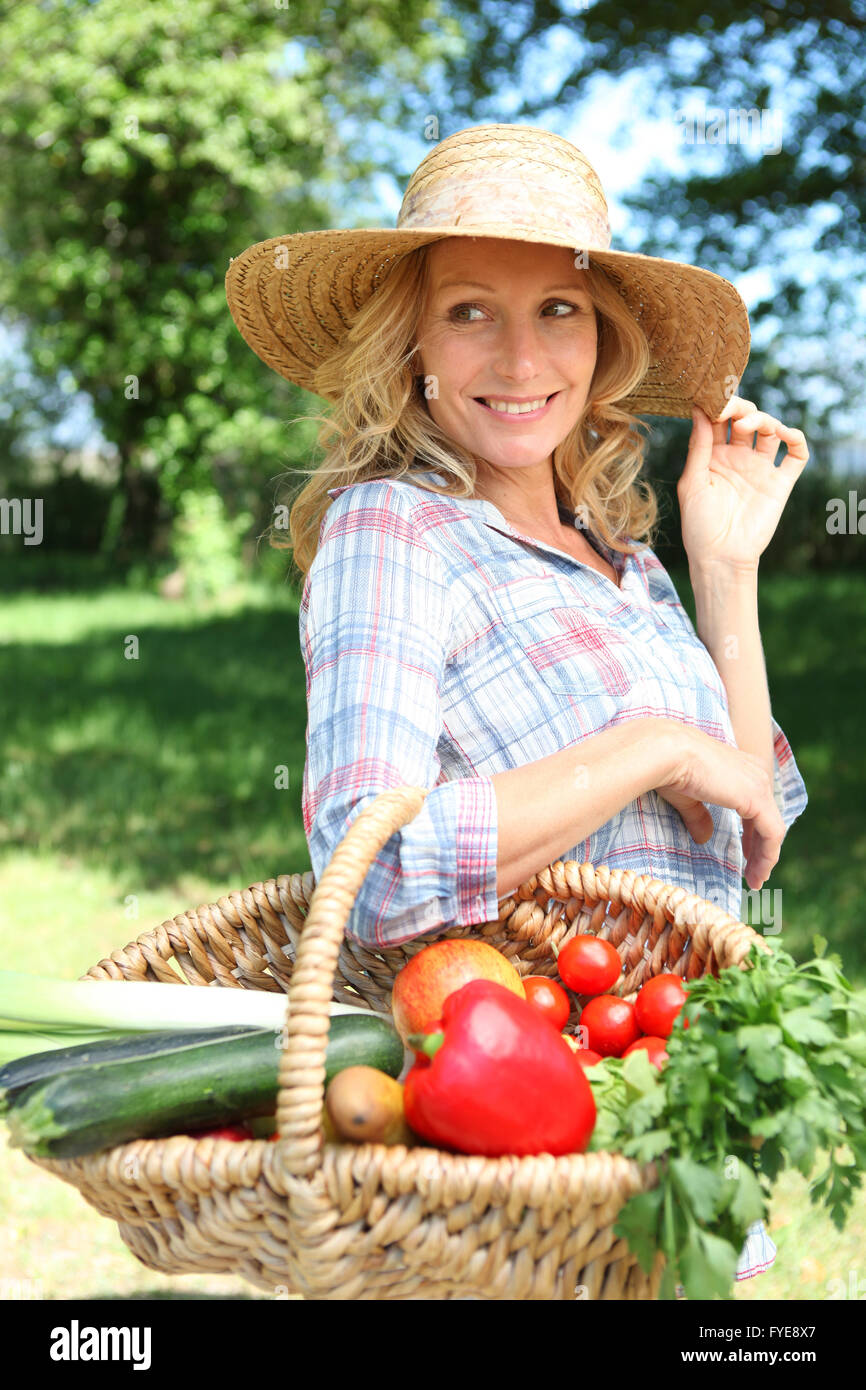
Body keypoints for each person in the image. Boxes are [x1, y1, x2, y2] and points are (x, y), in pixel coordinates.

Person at [225, 123, 809, 1288]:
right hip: (516, 1154)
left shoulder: (624, 560)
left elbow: (750, 838)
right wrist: (650, 746)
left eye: (558, 309)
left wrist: (723, 570)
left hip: (675, 1129)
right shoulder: (392, 528)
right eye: (468, 309)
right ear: (412, 343)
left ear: (599, 340)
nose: (518, 353)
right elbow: (368, 864)